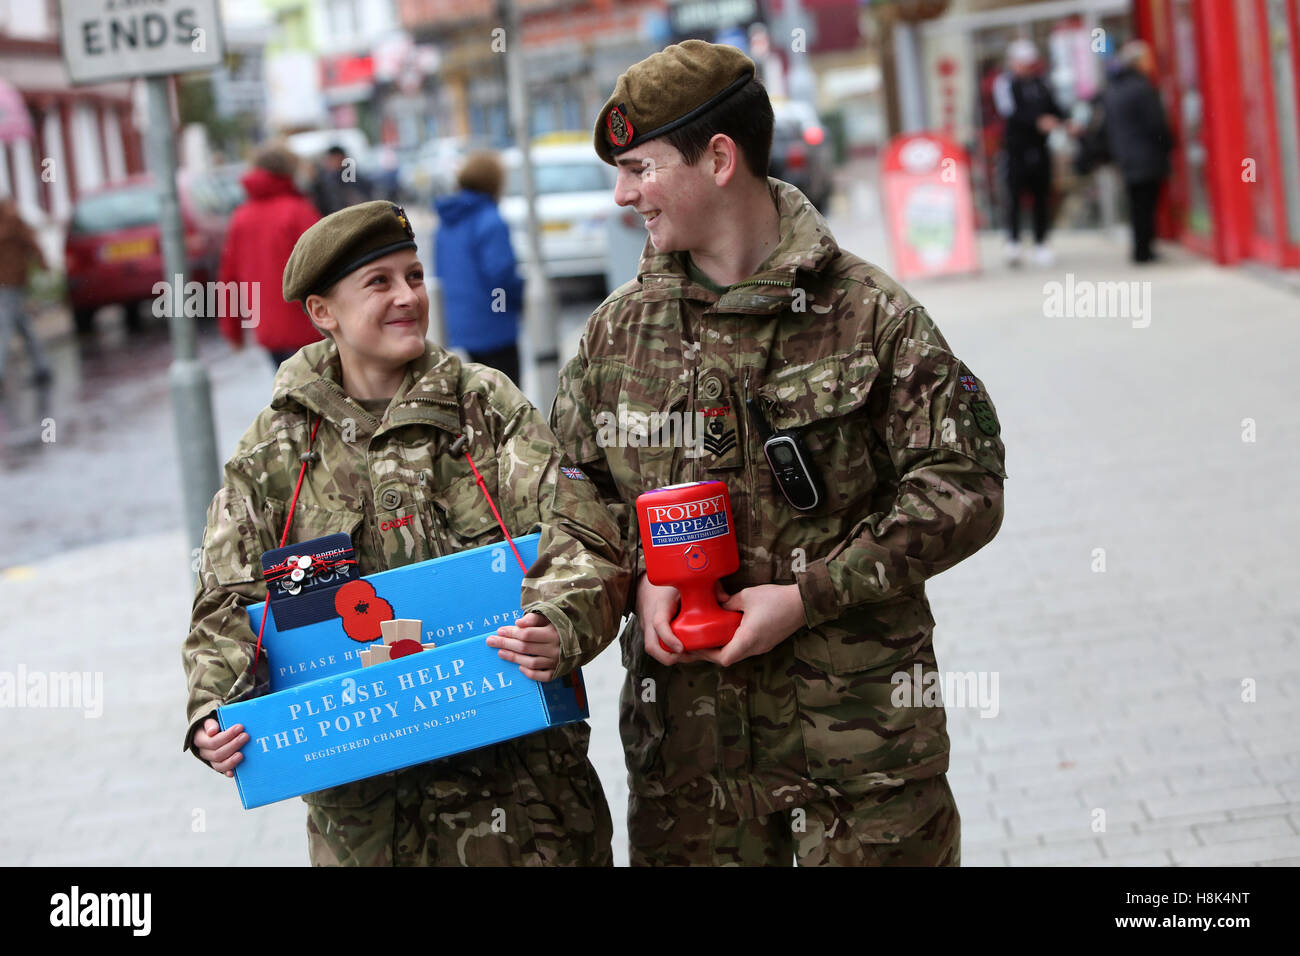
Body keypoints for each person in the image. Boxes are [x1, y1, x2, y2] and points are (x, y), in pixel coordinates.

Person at [550, 40, 1007, 866]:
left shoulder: (869, 314)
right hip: (691, 767)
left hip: (860, 750)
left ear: (720, 158)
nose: (624, 196)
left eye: (641, 169)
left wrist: (810, 595)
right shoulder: (617, 333)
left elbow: (965, 485)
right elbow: (573, 499)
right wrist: (639, 576)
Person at [183, 201, 631, 866]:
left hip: (525, 816)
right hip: (370, 832)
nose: (407, 298)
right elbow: (226, 605)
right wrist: (212, 710)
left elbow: (584, 541)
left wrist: (559, 624)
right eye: (380, 283)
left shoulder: (486, 408)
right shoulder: (273, 456)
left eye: (415, 277)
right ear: (321, 313)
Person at [217, 146, 322, 369]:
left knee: (289, 395)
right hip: (309, 327)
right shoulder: (299, 211)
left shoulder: (241, 217)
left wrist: (233, 331)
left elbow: (229, 278)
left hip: (268, 330)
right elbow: (325, 263)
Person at [434, 151, 524, 385]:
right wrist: (519, 296)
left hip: (462, 326)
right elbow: (501, 274)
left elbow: (442, 271)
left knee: (480, 401)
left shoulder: (447, 221)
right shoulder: (490, 220)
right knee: (508, 398)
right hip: (495, 326)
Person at [992, 39, 1065, 266]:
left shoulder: (1041, 84)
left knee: (1041, 196)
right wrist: (1037, 122)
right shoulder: (1005, 84)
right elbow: (1010, 112)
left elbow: (1054, 107)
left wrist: (1066, 121)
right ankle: (1013, 241)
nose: (1026, 67)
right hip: (1015, 150)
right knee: (1013, 195)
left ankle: (1041, 242)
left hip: (1040, 149)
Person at [1102, 40, 1173, 264]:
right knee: (1146, 204)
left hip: (1127, 156)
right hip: (1146, 155)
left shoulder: (1115, 89)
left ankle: (1141, 248)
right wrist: (1169, 143)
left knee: (1137, 204)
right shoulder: (1142, 88)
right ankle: (1144, 250)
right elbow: (1156, 125)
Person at [0, 199, 52, 389]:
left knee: (4, 327)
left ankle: (2, 373)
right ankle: (42, 367)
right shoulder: (13, 221)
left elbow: (31, 242)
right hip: (8, 284)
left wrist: (43, 262)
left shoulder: (13, 221)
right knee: (23, 325)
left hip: (12, 283)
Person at [313, 145, 373, 216]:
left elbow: (367, 193)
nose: (335, 162)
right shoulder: (322, 183)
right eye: (333, 159)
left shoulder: (354, 177)